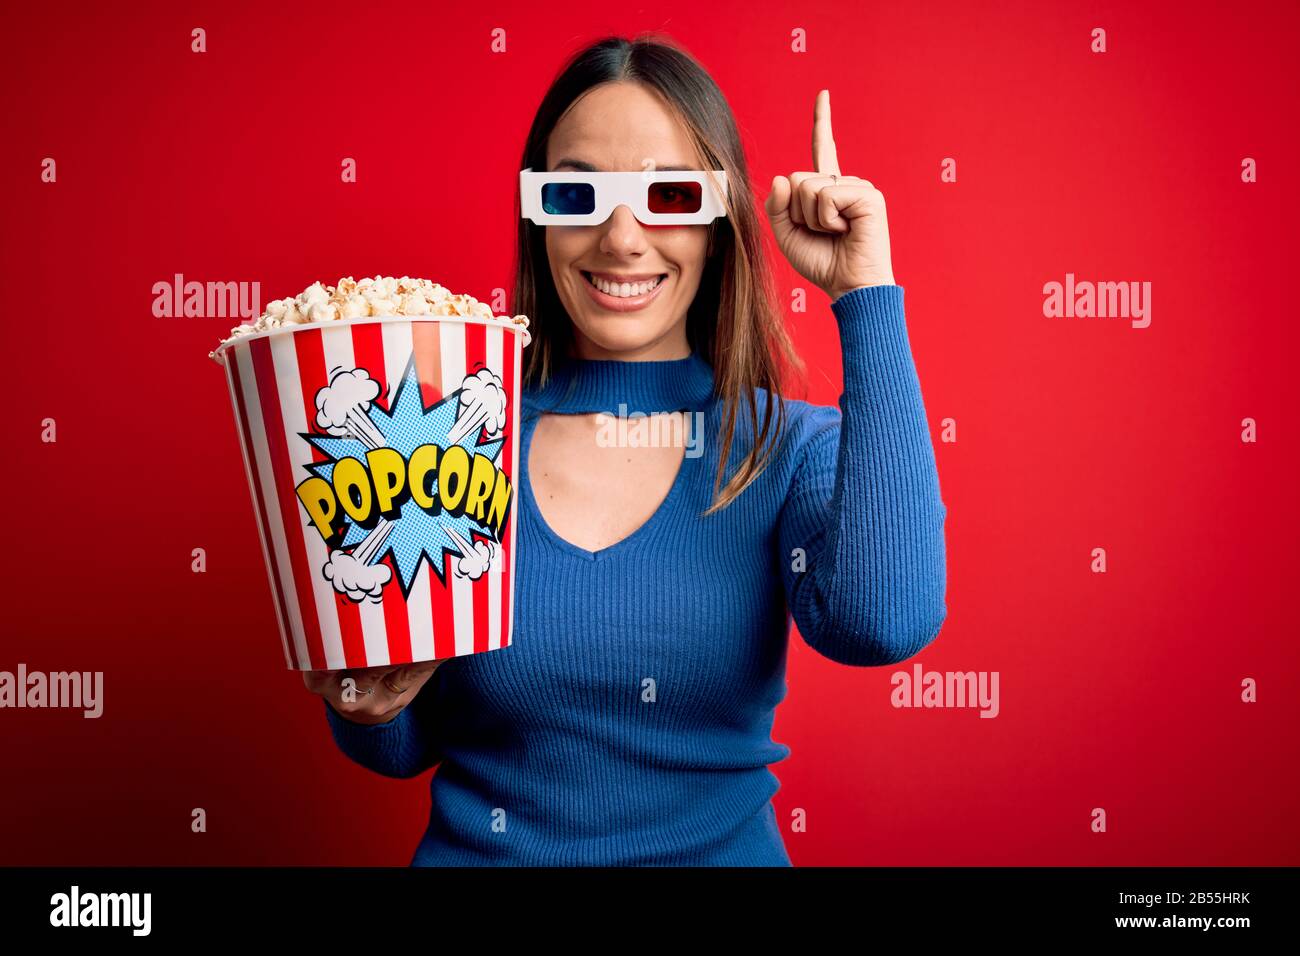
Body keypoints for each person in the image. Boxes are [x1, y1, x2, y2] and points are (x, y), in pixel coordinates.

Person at [304, 34, 948, 866]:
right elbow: (403, 747)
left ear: (718, 222)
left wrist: (866, 295)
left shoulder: (782, 448)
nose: (621, 237)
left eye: (669, 194)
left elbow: (883, 624)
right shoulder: (452, 438)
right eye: (577, 193)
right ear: (538, 218)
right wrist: (366, 701)